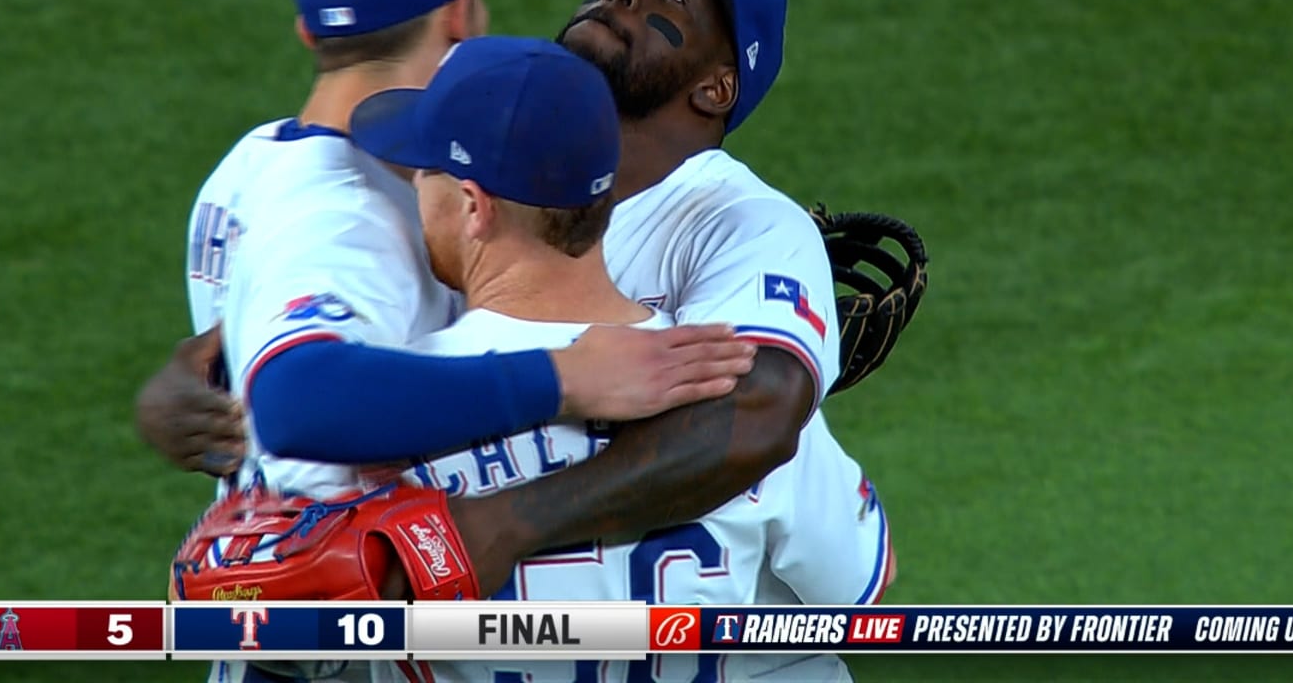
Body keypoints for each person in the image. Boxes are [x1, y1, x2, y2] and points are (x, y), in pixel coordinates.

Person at [144, 0, 890, 612]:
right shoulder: (499, 148)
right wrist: (225, 362)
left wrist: (495, 528)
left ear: (717, 86)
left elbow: (754, 416)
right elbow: (855, 581)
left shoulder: (741, 225)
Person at [352, 34, 892, 681]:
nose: (414, 190)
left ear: (473, 207)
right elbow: (861, 590)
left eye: (423, 172)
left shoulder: (383, 414)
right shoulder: (735, 387)